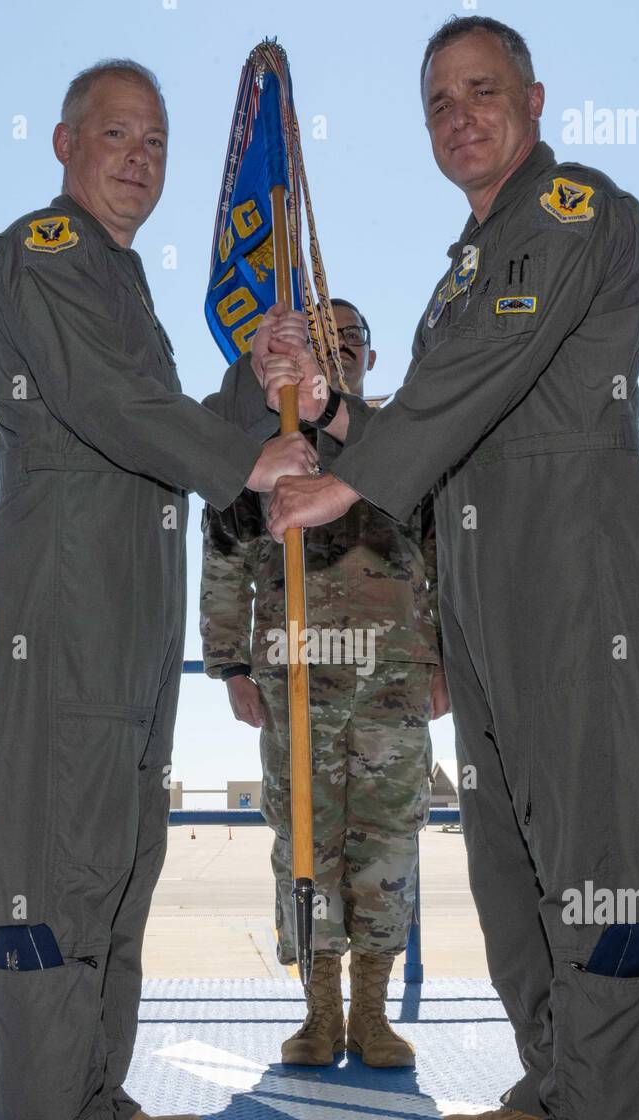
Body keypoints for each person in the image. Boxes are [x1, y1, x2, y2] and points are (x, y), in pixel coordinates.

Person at [260, 16, 639, 1120]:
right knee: (512, 856)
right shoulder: (463, 267)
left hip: (580, 560)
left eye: (480, 91)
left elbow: (480, 377)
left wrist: (349, 475)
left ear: (535, 98)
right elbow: (434, 425)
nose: (459, 115)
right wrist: (332, 413)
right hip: (485, 581)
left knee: (600, 848)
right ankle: (556, 1085)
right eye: (437, 101)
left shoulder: (570, 213)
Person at [0, 59, 315, 1120]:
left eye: (157, 142)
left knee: (116, 858)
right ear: (64, 143)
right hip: (60, 597)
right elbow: (110, 409)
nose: (139, 157)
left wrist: (248, 388)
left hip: (121, 601)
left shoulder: (120, 285)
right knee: (58, 858)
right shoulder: (43, 253)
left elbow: (154, 422)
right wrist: (241, 455)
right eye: (117, 134)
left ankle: (92, 1093)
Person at [200, 299, 449, 1068]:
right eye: (320, 341)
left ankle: (371, 1016)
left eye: (349, 340)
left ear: (369, 358)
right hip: (294, 682)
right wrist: (232, 665)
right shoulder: (266, 451)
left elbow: (446, 558)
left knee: (385, 846)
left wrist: (447, 660)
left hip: (393, 681)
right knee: (301, 844)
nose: (337, 350)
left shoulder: (407, 441)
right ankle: (317, 1013)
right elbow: (225, 559)